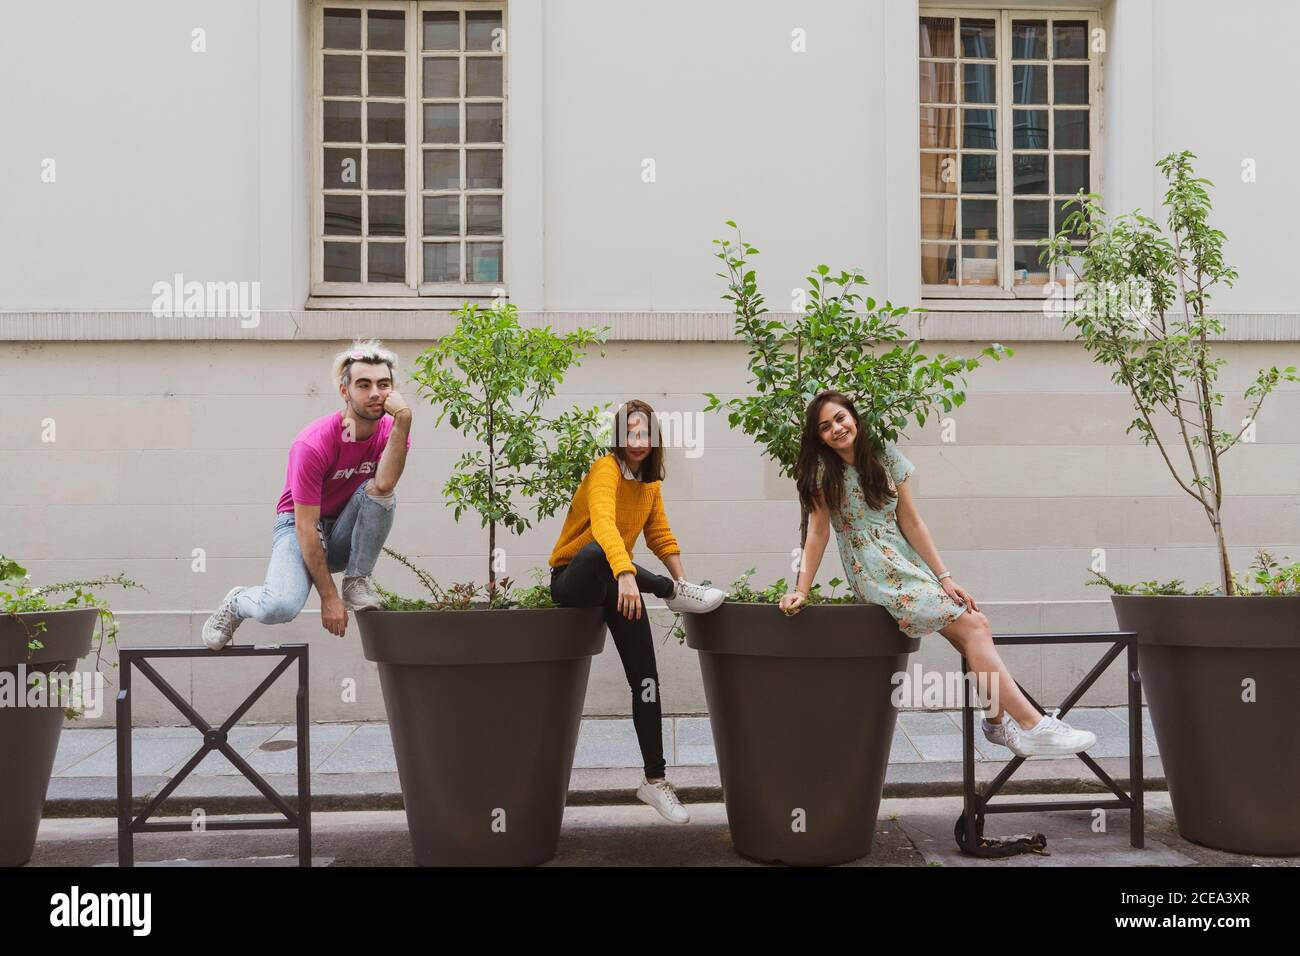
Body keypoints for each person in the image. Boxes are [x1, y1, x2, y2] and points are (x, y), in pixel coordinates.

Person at [778, 390, 1096, 758]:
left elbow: (912, 523)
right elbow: (817, 534)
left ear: (855, 418)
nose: (836, 428)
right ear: (818, 437)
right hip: (874, 572)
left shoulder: (884, 457)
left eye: (840, 418)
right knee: (974, 627)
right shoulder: (821, 474)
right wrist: (802, 588)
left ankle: (996, 724)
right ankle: (1032, 725)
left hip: (907, 563)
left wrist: (944, 576)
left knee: (976, 623)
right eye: (825, 426)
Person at [549, 400, 726, 823]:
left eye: (645, 433)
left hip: (617, 582)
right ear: (618, 435)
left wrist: (684, 583)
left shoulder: (649, 483)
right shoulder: (604, 469)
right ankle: (669, 590)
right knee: (595, 551)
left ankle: (655, 780)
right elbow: (604, 525)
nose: (638, 441)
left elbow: (661, 535)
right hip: (574, 578)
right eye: (630, 432)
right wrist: (631, 575)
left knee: (646, 680)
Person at [201, 339, 412, 650]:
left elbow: (384, 485)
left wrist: (404, 420)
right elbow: (304, 526)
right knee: (279, 607)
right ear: (345, 391)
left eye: (383, 384)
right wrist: (328, 597)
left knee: (381, 493)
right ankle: (238, 601)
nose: (375, 393)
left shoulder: (392, 433)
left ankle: (357, 582)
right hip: (300, 528)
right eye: (363, 385)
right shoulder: (314, 443)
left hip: (342, 531)